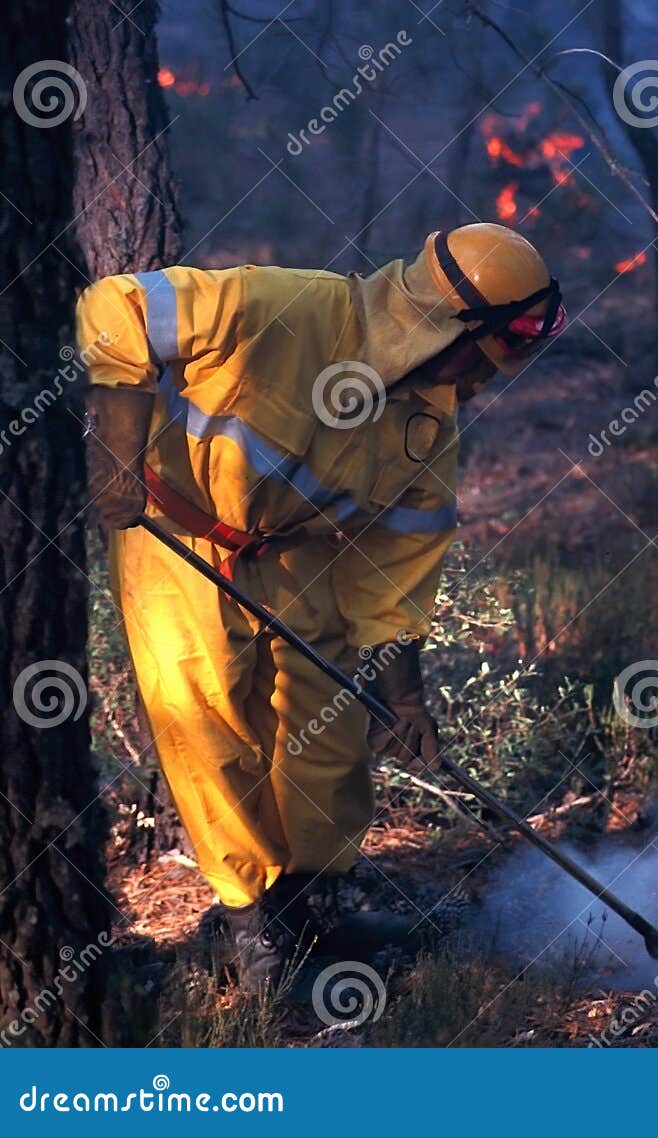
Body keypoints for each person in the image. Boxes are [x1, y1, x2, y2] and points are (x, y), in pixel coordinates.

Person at [76, 223, 565, 987]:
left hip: (295, 553)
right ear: (456, 325)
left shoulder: (428, 421)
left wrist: (403, 698)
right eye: (507, 346)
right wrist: (116, 447)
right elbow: (118, 303)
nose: (497, 373)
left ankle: (311, 906)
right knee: (212, 728)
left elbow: (397, 560)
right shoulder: (283, 306)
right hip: (179, 533)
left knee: (328, 733)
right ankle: (251, 931)